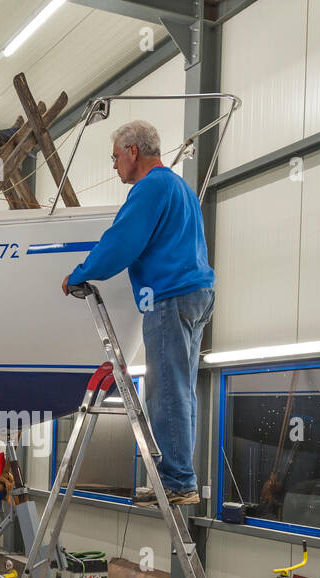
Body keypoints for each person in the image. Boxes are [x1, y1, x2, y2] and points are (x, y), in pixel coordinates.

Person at [62, 119, 215, 507]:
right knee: (180, 389)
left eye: (115, 157)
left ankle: (178, 480)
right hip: (197, 294)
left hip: (170, 297)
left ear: (134, 151)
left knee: (165, 391)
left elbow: (121, 242)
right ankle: (180, 475)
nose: (114, 166)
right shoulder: (181, 188)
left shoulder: (151, 188)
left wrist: (80, 274)